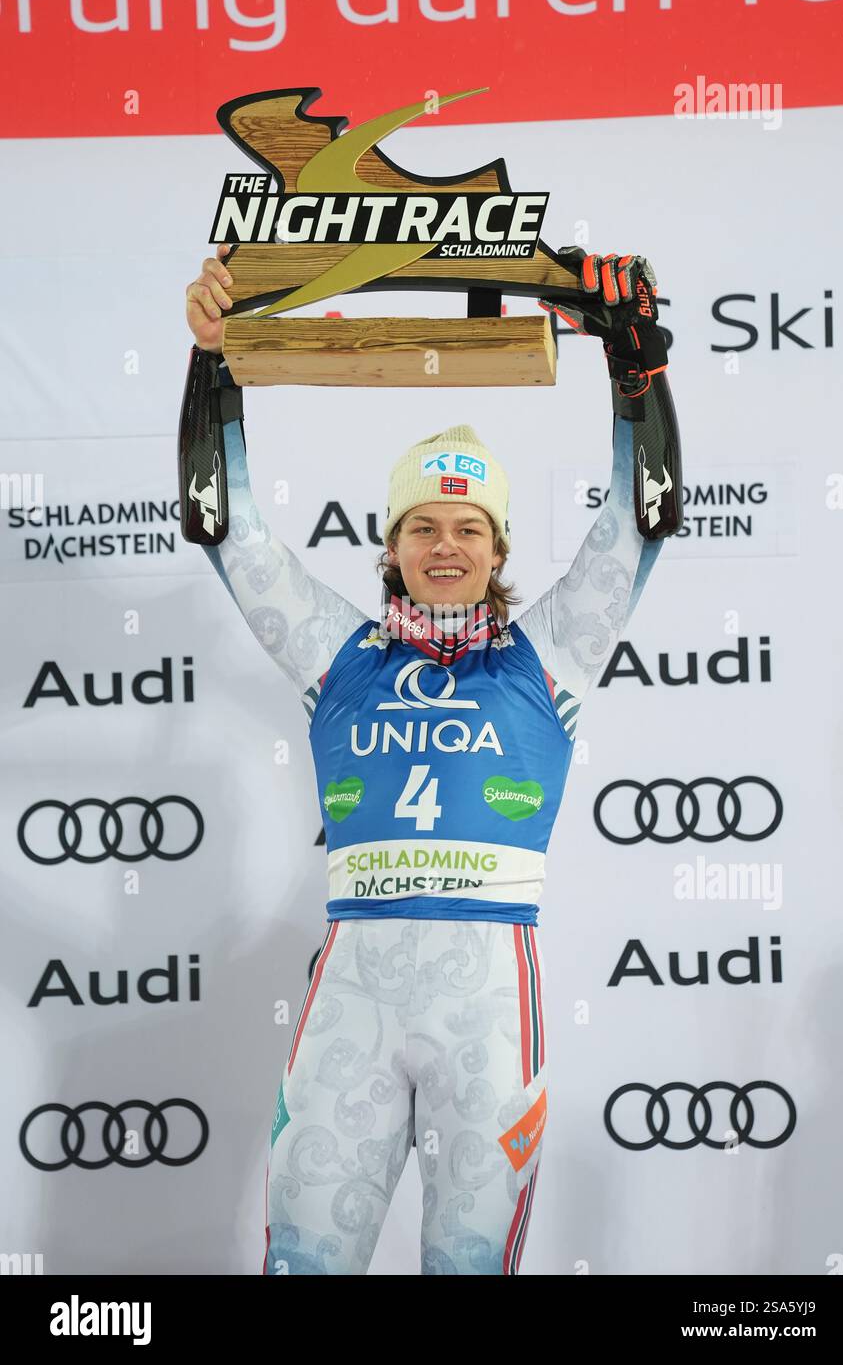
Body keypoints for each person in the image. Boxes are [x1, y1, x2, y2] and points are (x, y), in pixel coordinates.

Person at [180, 242, 683, 1276]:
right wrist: (214, 360)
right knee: (303, 1267)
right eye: (422, 526)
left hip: (487, 1007)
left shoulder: (550, 655)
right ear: (392, 544)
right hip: (350, 999)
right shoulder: (340, 654)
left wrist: (636, 382)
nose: (444, 545)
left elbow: (640, 522)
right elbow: (221, 524)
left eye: (468, 527)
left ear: (497, 549)